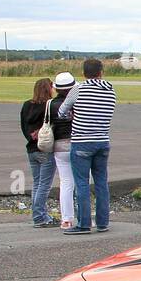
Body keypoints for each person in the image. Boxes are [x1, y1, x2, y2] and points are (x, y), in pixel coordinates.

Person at [58, 58, 117, 235]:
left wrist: (73, 114)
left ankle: (84, 223)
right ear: (101, 72)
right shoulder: (110, 90)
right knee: (101, 182)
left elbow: (62, 111)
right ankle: (102, 222)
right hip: (102, 140)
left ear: (84, 73)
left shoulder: (79, 89)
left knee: (82, 183)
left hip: (82, 141)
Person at [19, 78, 57, 227]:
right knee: (44, 185)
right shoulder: (49, 105)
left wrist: (31, 138)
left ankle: (40, 214)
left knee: (37, 183)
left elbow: (23, 125)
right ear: (49, 89)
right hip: (45, 149)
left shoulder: (27, 105)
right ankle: (39, 217)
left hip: (31, 148)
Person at [50, 72, 77, 229]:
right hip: (76, 142)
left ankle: (66, 219)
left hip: (59, 144)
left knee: (66, 182)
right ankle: (84, 217)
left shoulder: (50, 104)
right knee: (82, 182)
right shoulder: (77, 103)